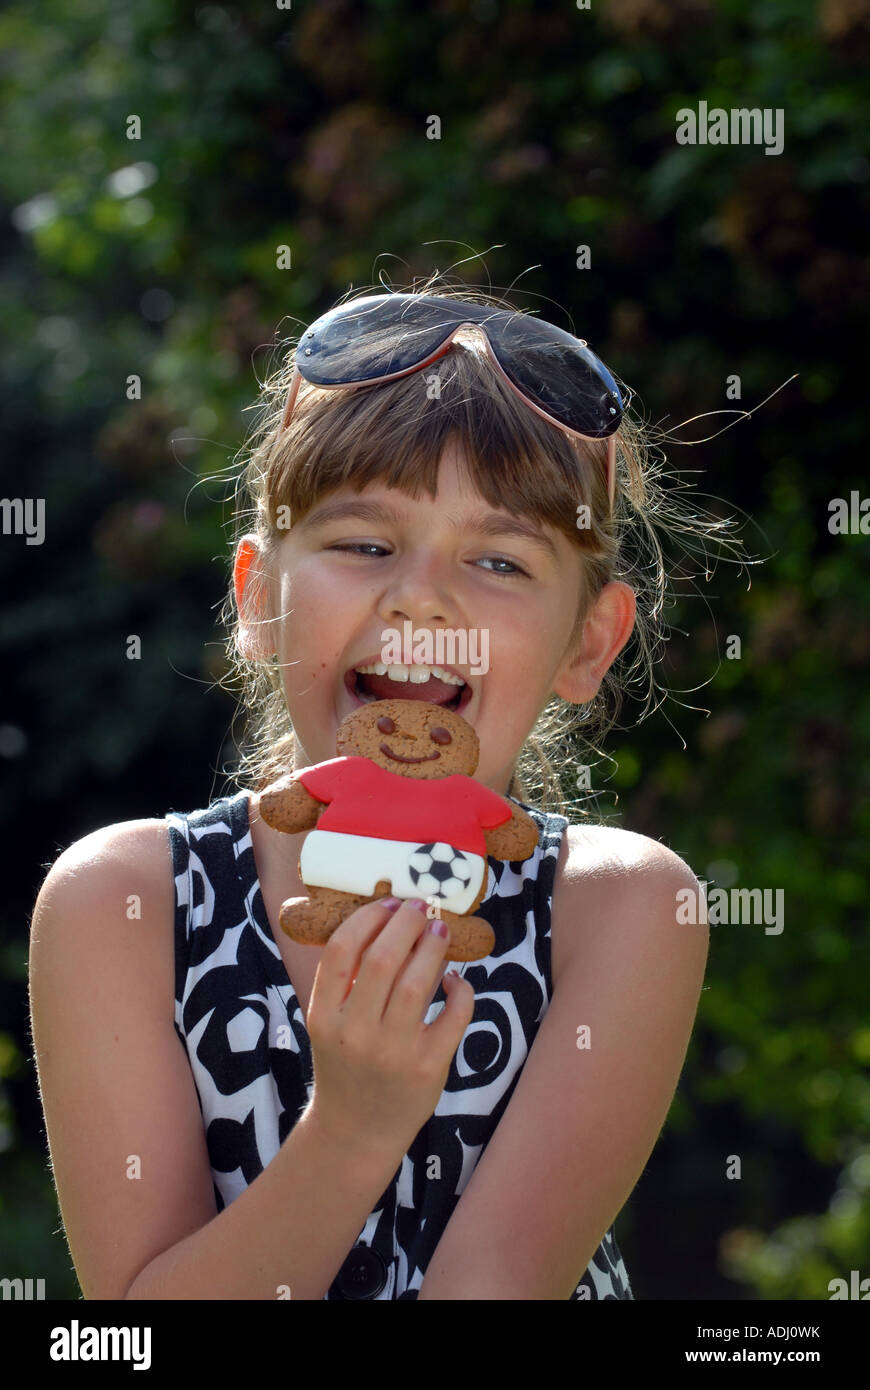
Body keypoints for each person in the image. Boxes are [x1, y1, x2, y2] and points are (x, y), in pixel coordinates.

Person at [29, 280, 722, 1300]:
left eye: (498, 559)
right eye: (365, 544)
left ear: (590, 642)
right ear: (260, 601)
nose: (422, 597)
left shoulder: (619, 909)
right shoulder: (123, 904)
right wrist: (352, 1127)